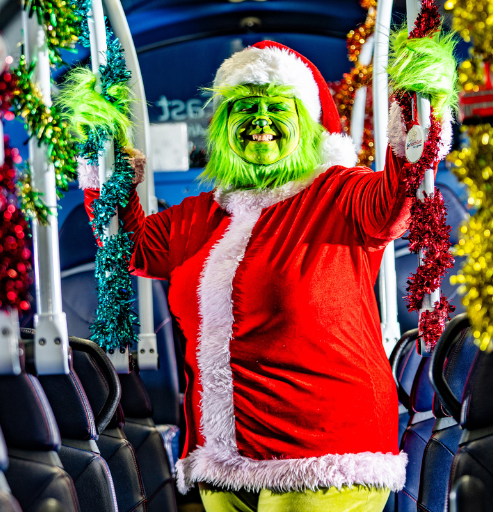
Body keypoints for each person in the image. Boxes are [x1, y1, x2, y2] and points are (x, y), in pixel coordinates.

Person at [81, 41, 451, 511]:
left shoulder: (338, 193)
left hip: (325, 457)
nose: (259, 120)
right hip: (225, 460)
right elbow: (129, 248)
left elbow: (396, 198)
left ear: (308, 124)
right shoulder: (203, 216)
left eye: (277, 107)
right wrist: (106, 174)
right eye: (244, 108)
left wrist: (415, 120)